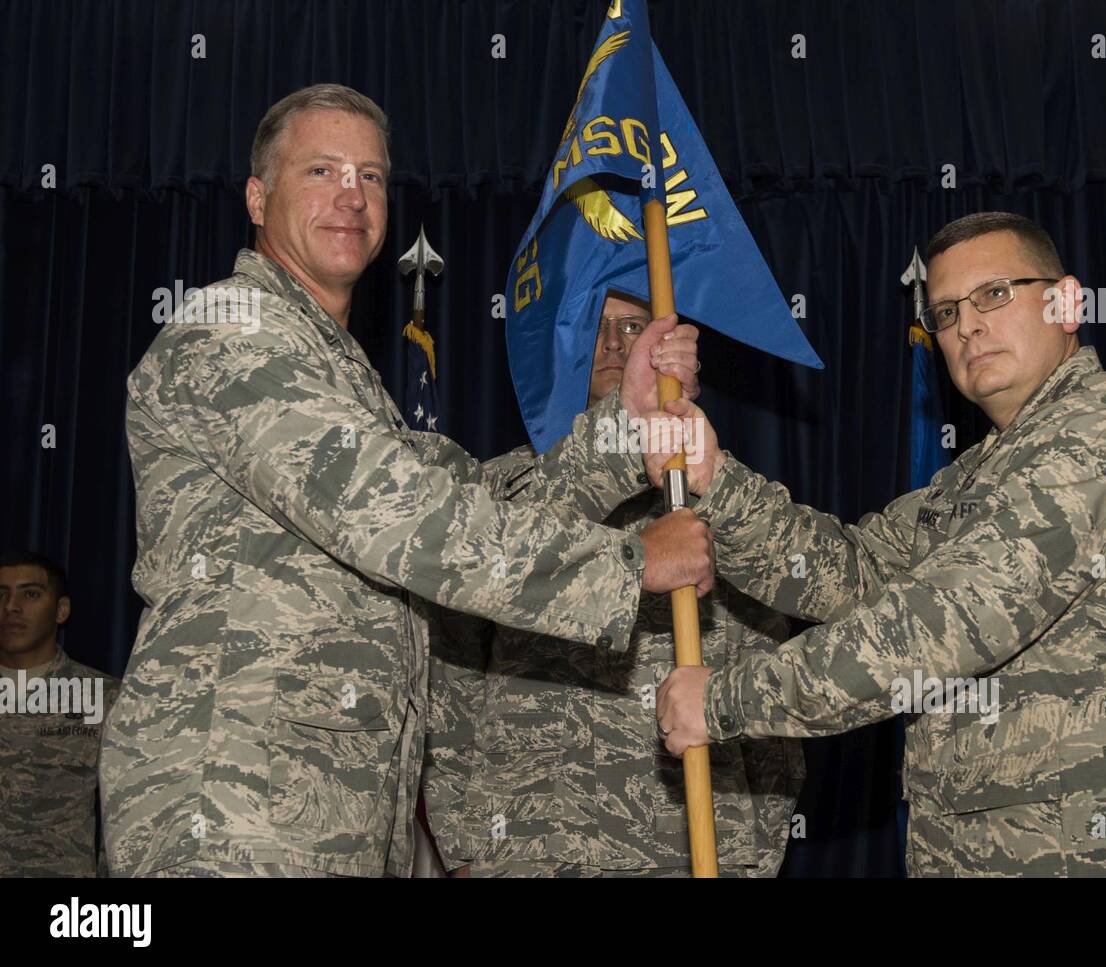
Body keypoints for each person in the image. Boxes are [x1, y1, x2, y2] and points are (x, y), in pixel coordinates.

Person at [103, 83, 711, 877]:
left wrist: (625, 423)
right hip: (230, 805)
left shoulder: (346, 378)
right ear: (257, 197)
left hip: (333, 815)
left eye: (371, 177)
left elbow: (477, 504)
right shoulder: (230, 330)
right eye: (321, 172)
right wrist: (630, 566)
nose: (350, 197)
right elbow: (400, 515)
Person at [651, 212, 1106, 876]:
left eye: (995, 293)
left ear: (1067, 302)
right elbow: (854, 570)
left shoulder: (1100, 433)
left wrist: (728, 700)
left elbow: (943, 622)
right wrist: (716, 480)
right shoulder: (974, 476)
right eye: (947, 311)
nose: (968, 325)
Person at [423, 292, 803, 877]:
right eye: (595, 327)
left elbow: (768, 697)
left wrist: (754, 856)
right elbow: (452, 678)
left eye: (633, 326)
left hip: (683, 844)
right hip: (531, 842)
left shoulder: (723, 499)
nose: (614, 344)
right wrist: (464, 849)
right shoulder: (502, 494)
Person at [0, 551, 119, 876]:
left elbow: (124, 817)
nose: (11, 607)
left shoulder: (105, 698)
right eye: (1, 594)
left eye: (31, 594)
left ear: (61, 610)